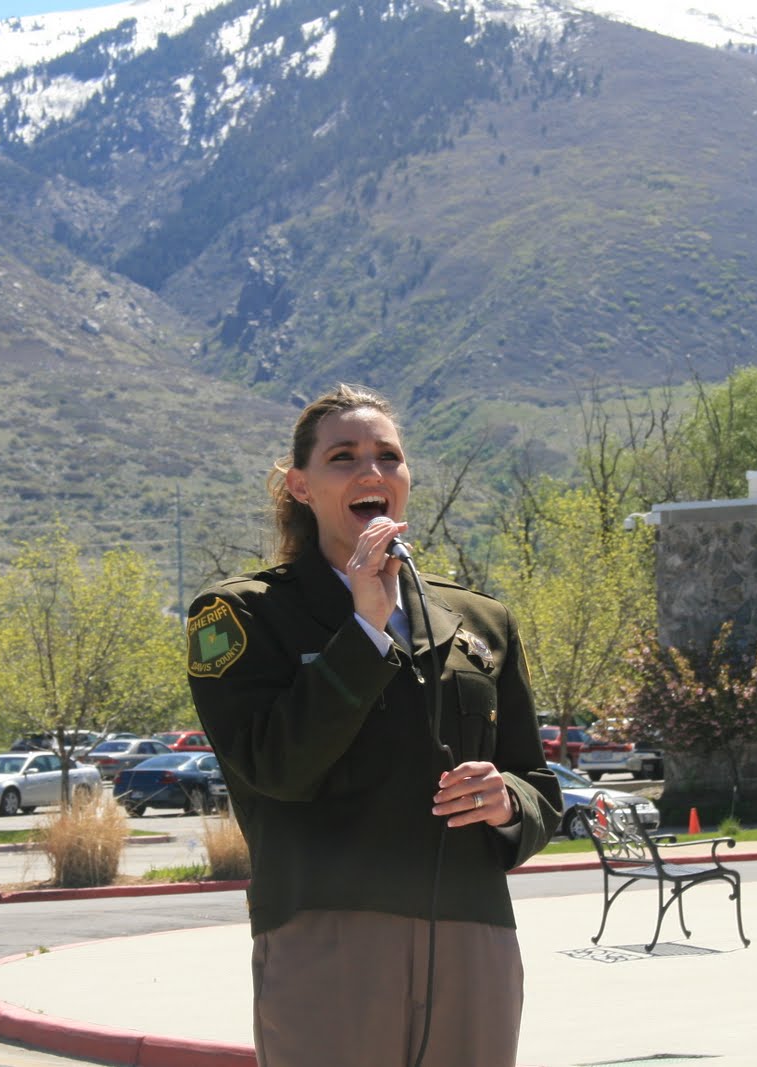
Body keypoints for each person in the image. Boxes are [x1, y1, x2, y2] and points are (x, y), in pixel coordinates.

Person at [185, 383, 562, 1067]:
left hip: (472, 934)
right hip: (327, 933)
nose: (372, 473)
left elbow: (539, 784)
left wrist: (508, 797)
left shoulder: (482, 620)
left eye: (388, 456)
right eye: (344, 457)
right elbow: (273, 767)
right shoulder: (240, 614)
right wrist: (363, 627)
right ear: (300, 485)